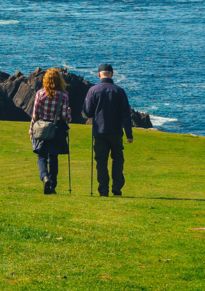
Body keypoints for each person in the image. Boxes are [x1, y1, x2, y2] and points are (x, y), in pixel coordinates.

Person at [82, 62, 133, 196]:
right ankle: (117, 187)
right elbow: (126, 115)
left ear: (99, 75)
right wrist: (129, 134)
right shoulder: (119, 91)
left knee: (101, 160)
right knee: (117, 159)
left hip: (99, 131)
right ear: (112, 74)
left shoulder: (93, 91)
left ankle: (103, 189)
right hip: (116, 131)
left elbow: (88, 112)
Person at [29, 67, 71, 194]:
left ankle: (44, 177)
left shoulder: (40, 94)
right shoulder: (63, 96)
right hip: (56, 128)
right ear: (59, 81)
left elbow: (35, 115)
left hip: (41, 127)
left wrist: (31, 130)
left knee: (41, 156)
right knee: (53, 158)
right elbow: (64, 116)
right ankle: (52, 186)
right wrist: (69, 113)